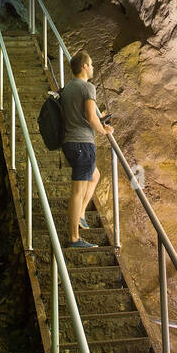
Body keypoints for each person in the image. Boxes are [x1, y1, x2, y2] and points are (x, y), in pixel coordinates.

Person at [58, 50, 113, 248]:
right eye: (90, 65)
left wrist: (100, 121)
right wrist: (104, 130)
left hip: (69, 143)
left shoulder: (68, 89)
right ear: (84, 67)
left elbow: (79, 114)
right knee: (77, 191)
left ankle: (81, 214)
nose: (92, 68)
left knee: (95, 175)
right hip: (82, 144)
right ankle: (73, 238)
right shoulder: (88, 88)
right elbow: (90, 118)